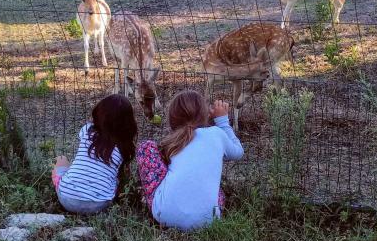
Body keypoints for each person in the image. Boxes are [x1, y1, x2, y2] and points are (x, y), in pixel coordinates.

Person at [136, 90, 244, 230]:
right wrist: (222, 122)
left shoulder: (173, 142)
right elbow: (238, 152)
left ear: (172, 118)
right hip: (209, 220)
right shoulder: (217, 134)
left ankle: (159, 202)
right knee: (213, 187)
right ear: (204, 114)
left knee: (146, 147)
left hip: (164, 215)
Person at [51, 94, 137, 214]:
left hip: (67, 199)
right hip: (99, 205)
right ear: (128, 123)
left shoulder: (87, 130)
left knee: (61, 159)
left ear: (99, 113)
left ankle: (68, 183)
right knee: (114, 178)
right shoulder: (124, 146)